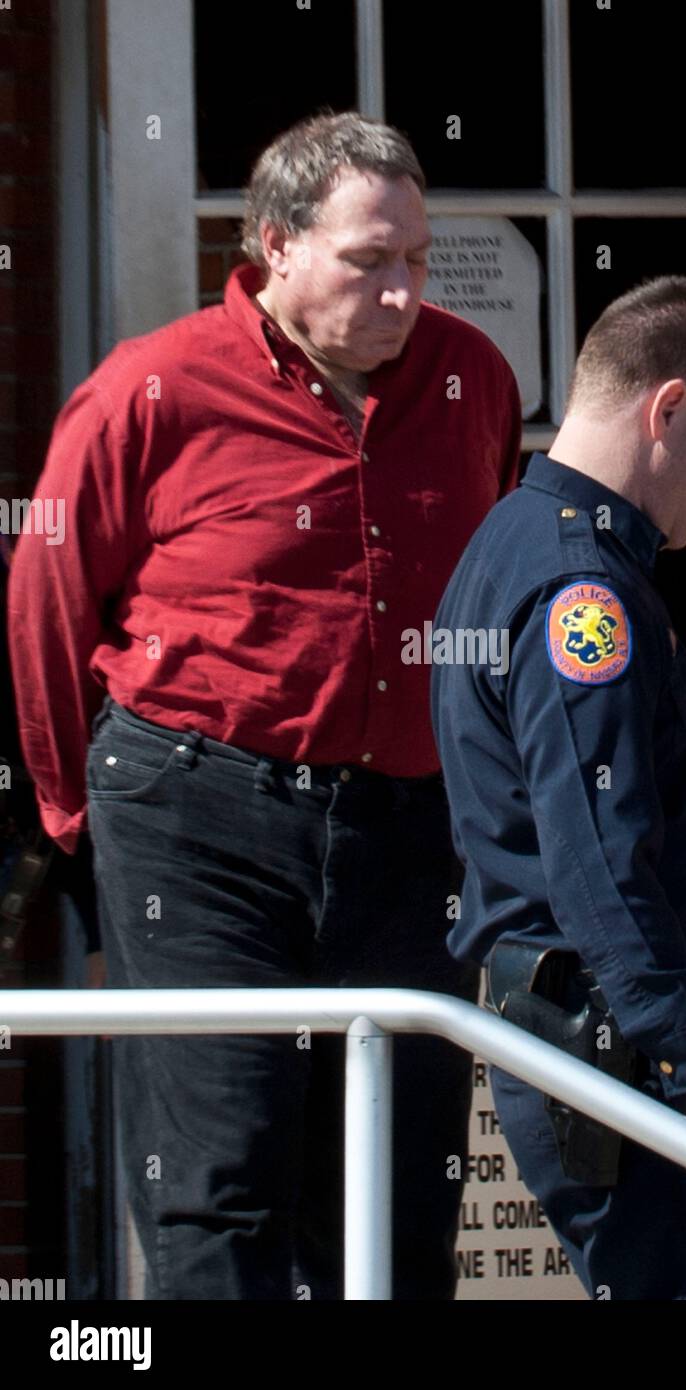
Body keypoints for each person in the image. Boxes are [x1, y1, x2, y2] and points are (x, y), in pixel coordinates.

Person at [7, 111, 522, 1300]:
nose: (399, 293)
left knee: (398, 1184)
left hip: (406, 825)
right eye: (367, 261)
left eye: (415, 260)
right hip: (199, 820)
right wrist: (72, 815)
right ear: (276, 248)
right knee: (218, 1176)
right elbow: (45, 598)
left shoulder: (470, 378)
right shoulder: (153, 389)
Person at [430, 275, 686, 1301]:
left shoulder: (520, 540)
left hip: (620, 1036)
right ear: (666, 409)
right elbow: (596, 866)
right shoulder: (581, 591)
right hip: (627, 1048)